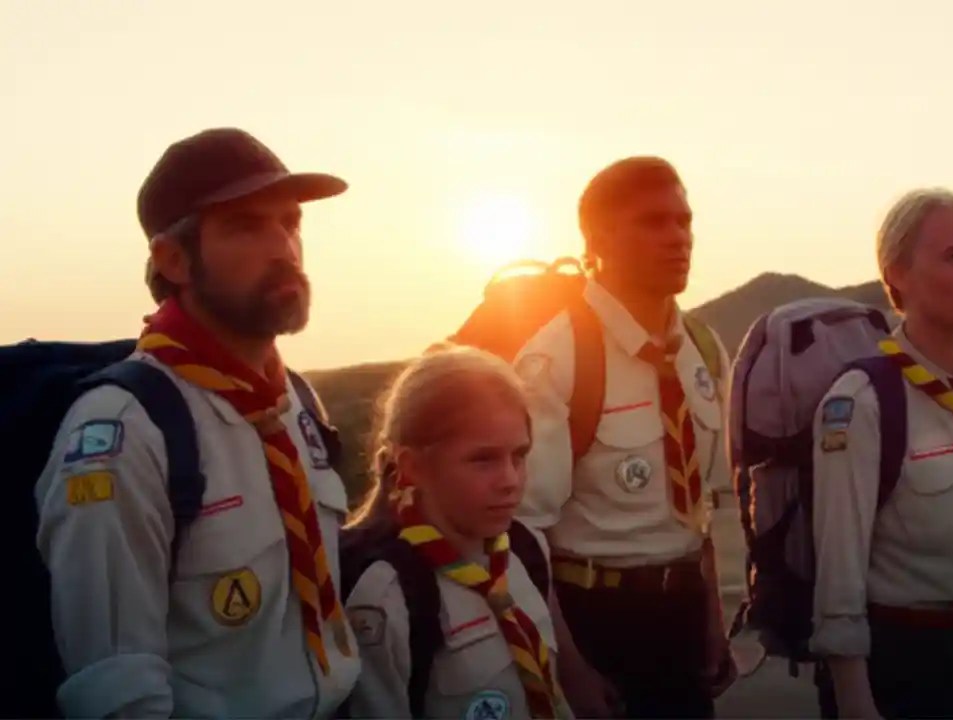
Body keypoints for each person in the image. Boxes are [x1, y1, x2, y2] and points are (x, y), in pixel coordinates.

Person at [33, 127, 360, 718]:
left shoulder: (296, 400)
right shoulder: (126, 432)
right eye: (246, 226)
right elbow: (120, 691)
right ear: (173, 260)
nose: (284, 248)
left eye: (291, 223)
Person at [511, 157, 737, 718]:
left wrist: (713, 622)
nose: (678, 237)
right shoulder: (558, 359)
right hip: (595, 620)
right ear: (598, 241)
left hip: (685, 616)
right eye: (654, 222)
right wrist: (570, 670)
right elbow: (523, 532)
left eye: (684, 221)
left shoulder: (702, 348)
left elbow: (701, 510)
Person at [810, 188, 953, 719]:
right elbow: (840, 576)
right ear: (898, 275)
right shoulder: (862, 403)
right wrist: (856, 704)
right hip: (908, 665)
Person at [342, 343, 615, 719]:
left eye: (519, 456)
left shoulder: (524, 548)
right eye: (483, 459)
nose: (510, 480)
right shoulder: (388, 591)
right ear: (412, 466)